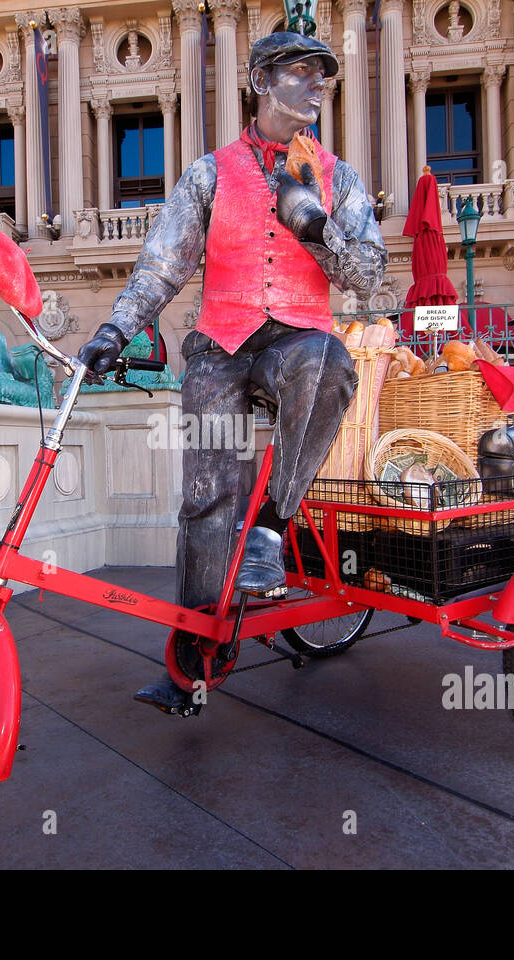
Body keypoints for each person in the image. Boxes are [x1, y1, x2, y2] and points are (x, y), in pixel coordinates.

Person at [76, 31, 387, 714]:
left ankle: (273, 528)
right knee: (207, 502)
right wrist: (114, 329)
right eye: (299, 73)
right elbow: (164, 263)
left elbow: (368, 275)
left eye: (320, 76)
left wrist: (315, 227)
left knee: (329, 365)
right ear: (259, 81)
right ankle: (190, 669)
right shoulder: (209, 172)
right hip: (221, 342)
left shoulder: (341, 178)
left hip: (297, 339)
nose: (314, 86)